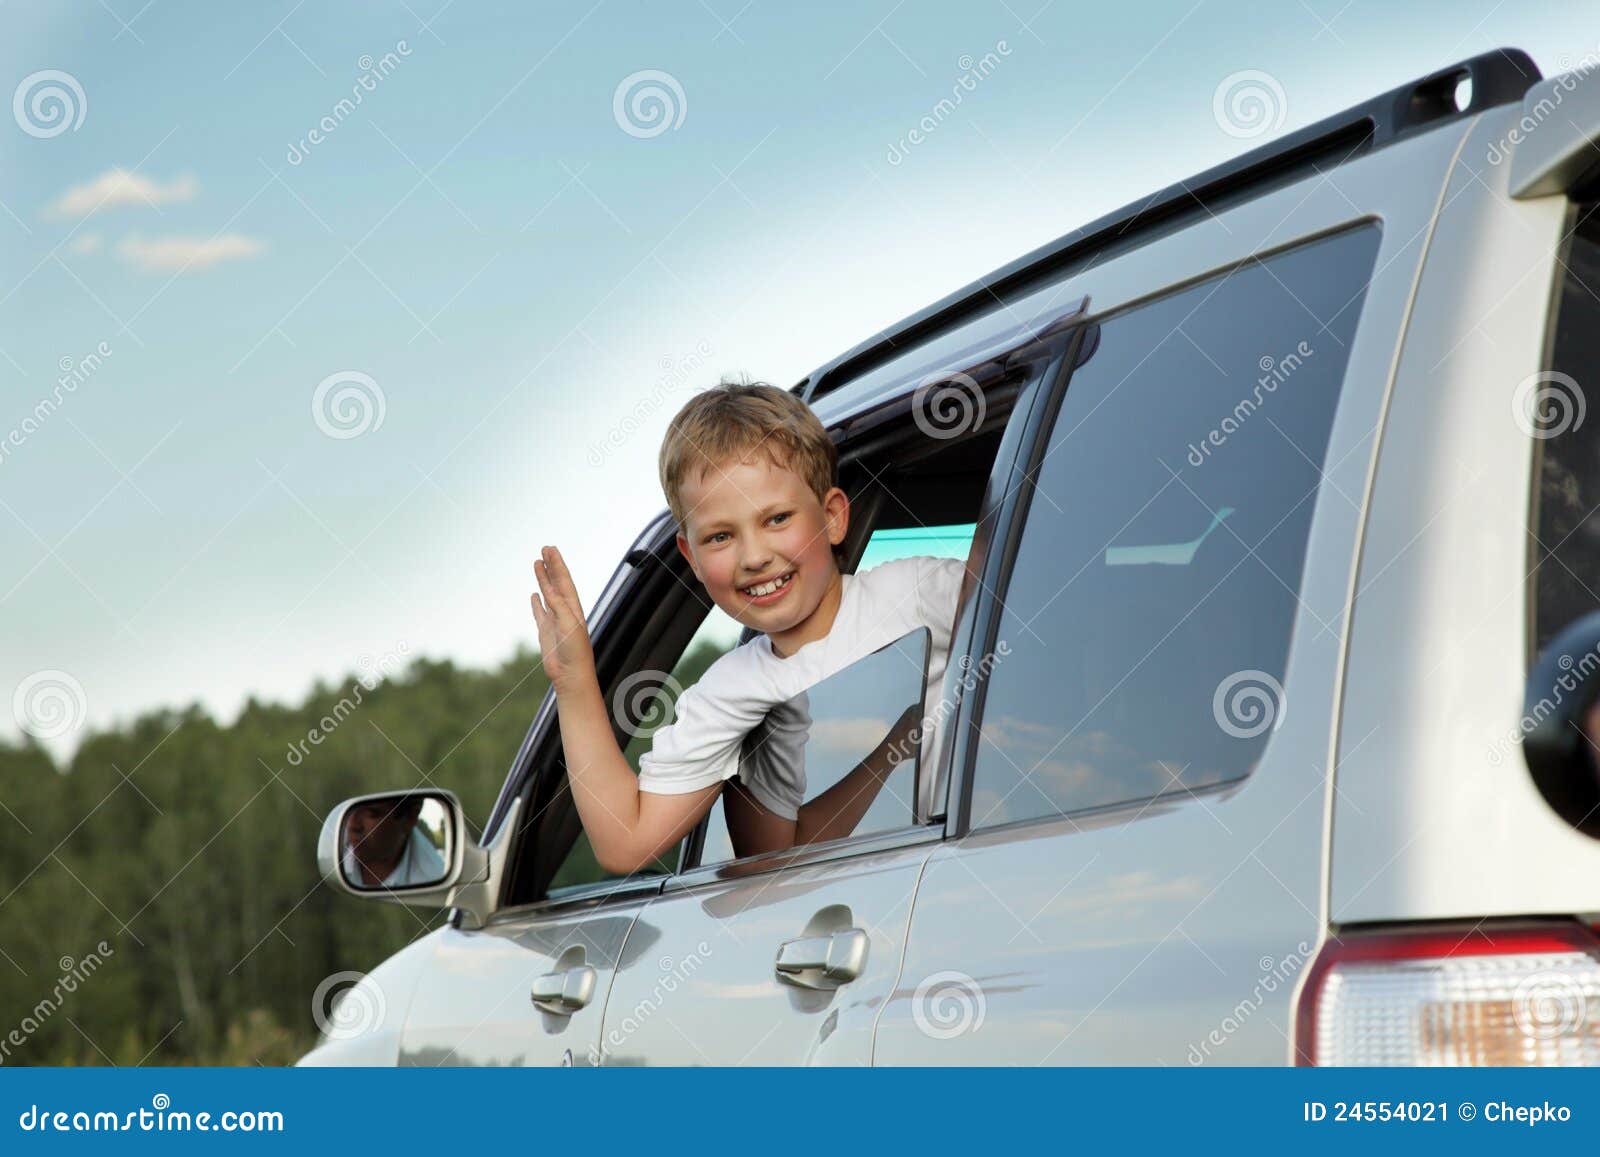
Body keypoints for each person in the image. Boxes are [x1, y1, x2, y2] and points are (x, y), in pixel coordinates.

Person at [529, 380, 967, 875]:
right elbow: (627, 843)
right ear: (691, 558)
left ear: (832, 517)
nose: (755, 557)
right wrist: (575, 684)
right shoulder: (732, 692)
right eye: (721, 536)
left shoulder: (921, 591)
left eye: (777, 519)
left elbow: (1043, 589)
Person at [341, 797, 446, 888]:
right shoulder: (332, 845)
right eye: (348, 810)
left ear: (411, 817)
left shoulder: (435, 878)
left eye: (370, 814)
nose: (352, 825)